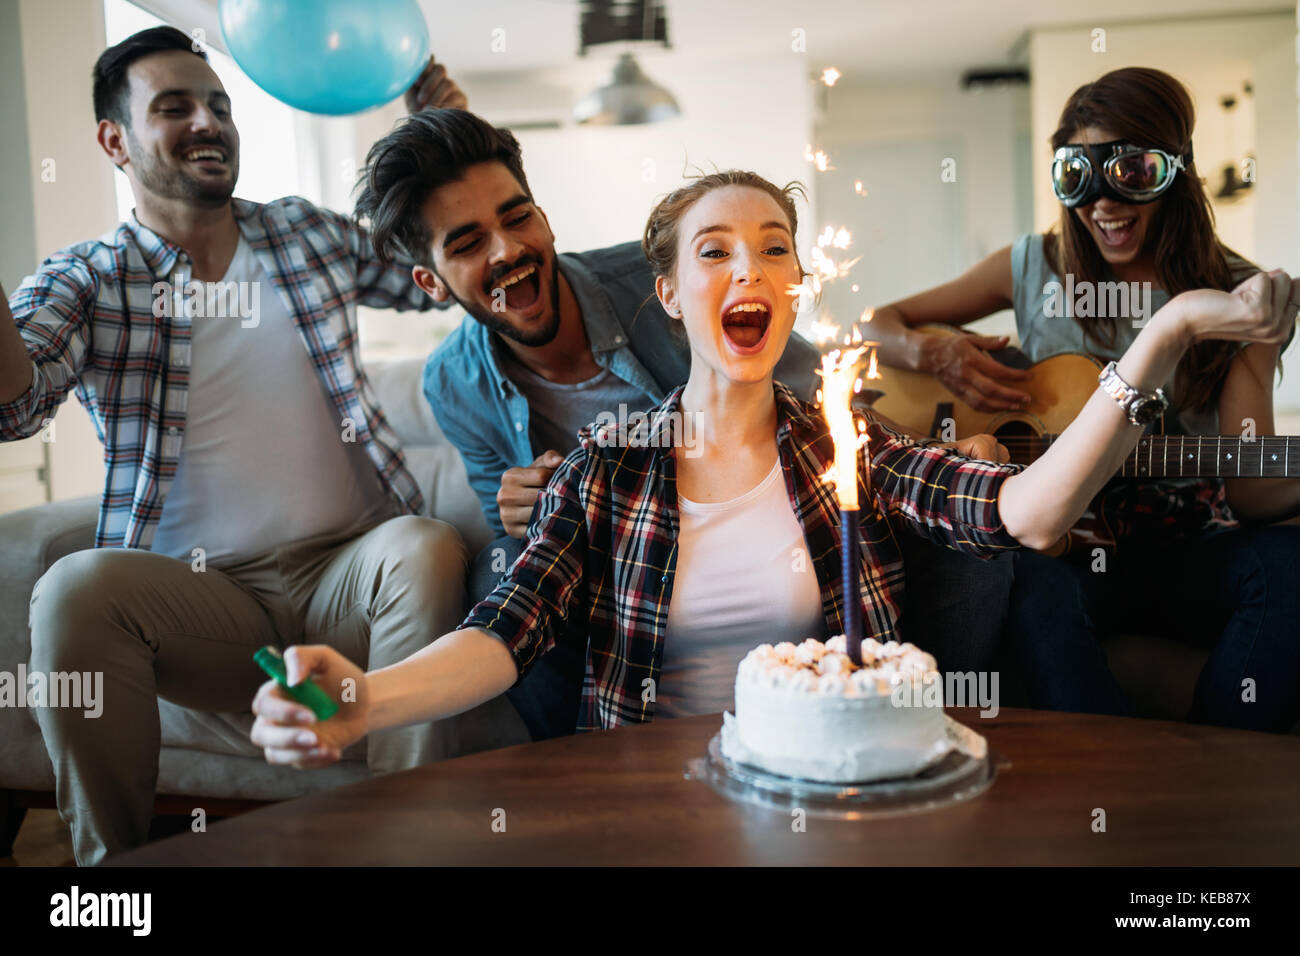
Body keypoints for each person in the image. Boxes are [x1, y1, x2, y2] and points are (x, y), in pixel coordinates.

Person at [250, 168, 1296, 767]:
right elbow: (507, 629)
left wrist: (1157, 342)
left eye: (774, 247)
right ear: (666, 293)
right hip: (646, 791)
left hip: (832, 784)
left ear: (796, 284)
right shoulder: (609, 464)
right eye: (714, 249)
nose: (748, 267)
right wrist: (366, 698)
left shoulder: (847, 445)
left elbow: (1026, 512)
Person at [0, 27, 518, 866]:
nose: (208, 122)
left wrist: (442, 152)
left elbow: (430, 274)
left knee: (423, 546)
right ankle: (112, 879)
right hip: (205, 608)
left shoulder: (303, 235)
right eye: (174, 108)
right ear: (114, 141)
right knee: (71, 590)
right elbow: (15, 407)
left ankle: (401, 846)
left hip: (349, 576)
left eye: (219, 105)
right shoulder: (88, 278)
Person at [355, 109, 1016, 739]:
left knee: (974, 536)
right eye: (468, 244)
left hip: (763, 508)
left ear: (545, 219)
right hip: (606, 562)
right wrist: (521, 501)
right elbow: (522, 542)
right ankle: (575, 760)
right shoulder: (452, 383)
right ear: (432, 282)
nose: (507, 250)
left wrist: (935, 458)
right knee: (498, 564)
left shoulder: (669, 277)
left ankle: (919, 725)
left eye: (517, 217)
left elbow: (824, 397)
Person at [865, 67, 1300, 732]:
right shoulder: (1035, 264)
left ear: (1175, 171)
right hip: (1066, 543)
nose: (1102, 202)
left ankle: (1223, 764)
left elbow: (1250, 490)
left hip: (1184, 547)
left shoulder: (1239, 295)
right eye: (1078, 177)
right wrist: (937, 352)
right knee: (1033, 585)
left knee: (1287, 564)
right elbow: (879, 322)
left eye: (1131, 173)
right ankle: (1098, 783)